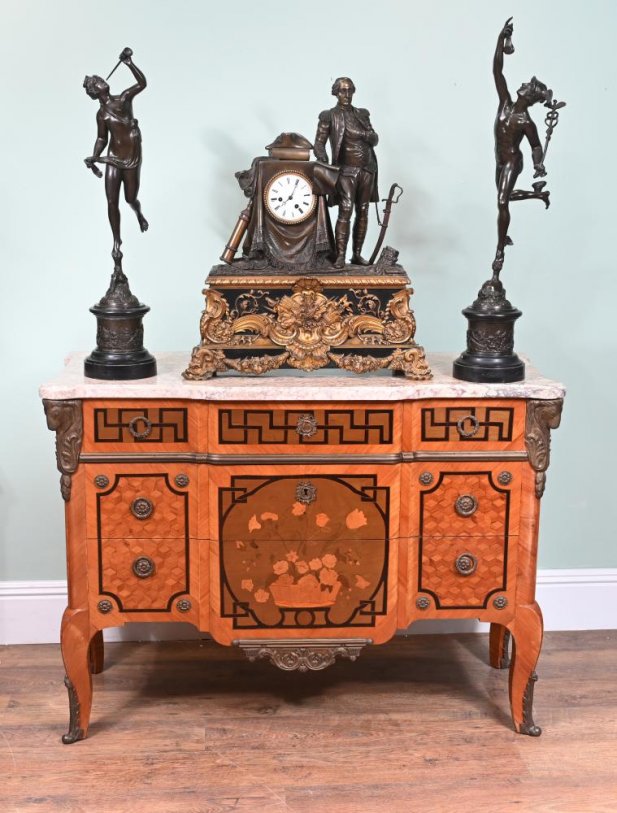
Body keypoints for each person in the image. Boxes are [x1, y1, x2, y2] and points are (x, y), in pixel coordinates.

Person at [492, 18, 552, 276]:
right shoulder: (505, 102)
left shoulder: (526, 121)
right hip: (498, 160)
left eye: (528, 85)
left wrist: (538, 163)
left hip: (512, 161)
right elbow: (497, 71)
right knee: (502, 200)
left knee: (502, 199)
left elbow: (536, 146)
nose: (524, 84)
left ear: (529, 95)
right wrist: (500, 39)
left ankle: (500, 249)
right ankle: (539, 195)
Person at [83, 48, 148, 267]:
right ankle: (116, 241)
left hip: (131, 156)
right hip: (113, 157)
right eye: (98, 81)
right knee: (111, 200)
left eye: (100, 79)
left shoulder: (123, 99)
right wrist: (95, 156)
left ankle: (138, 212)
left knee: (130, 198)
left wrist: (129, 63)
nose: (102, 81)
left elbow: (142, 84)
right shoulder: (101, 114)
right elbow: (102, 138)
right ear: (95, 91)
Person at [314, 77, 379, 268]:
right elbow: (319, 143)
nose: (347, 95)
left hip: (367, 169)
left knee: (363, 210)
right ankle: (340, 255)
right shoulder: (328, 116)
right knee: (346, 210)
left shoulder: (362, 114)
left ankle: (356, 255)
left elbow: (374, 138)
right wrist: (323, 159)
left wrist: (365, 135)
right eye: (343, 91)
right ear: (335, 92)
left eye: (350, 90)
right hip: (345, 170)